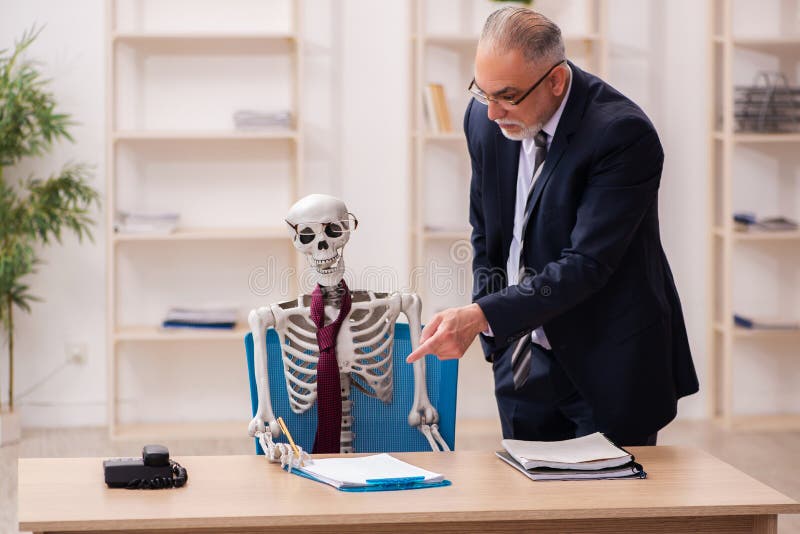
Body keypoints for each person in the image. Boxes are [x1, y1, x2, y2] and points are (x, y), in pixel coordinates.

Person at [406, 7, 699, 446]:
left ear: (556, 81)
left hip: (608, 364)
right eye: (483, 93)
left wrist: (482, 315)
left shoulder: (623, 135)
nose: (491, 112)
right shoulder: (484, 120)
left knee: (607, 512)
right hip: (520, 362)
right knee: (528, 509)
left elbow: (586, 265)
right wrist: (496, 336)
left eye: (506, 96)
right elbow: (486, 236)